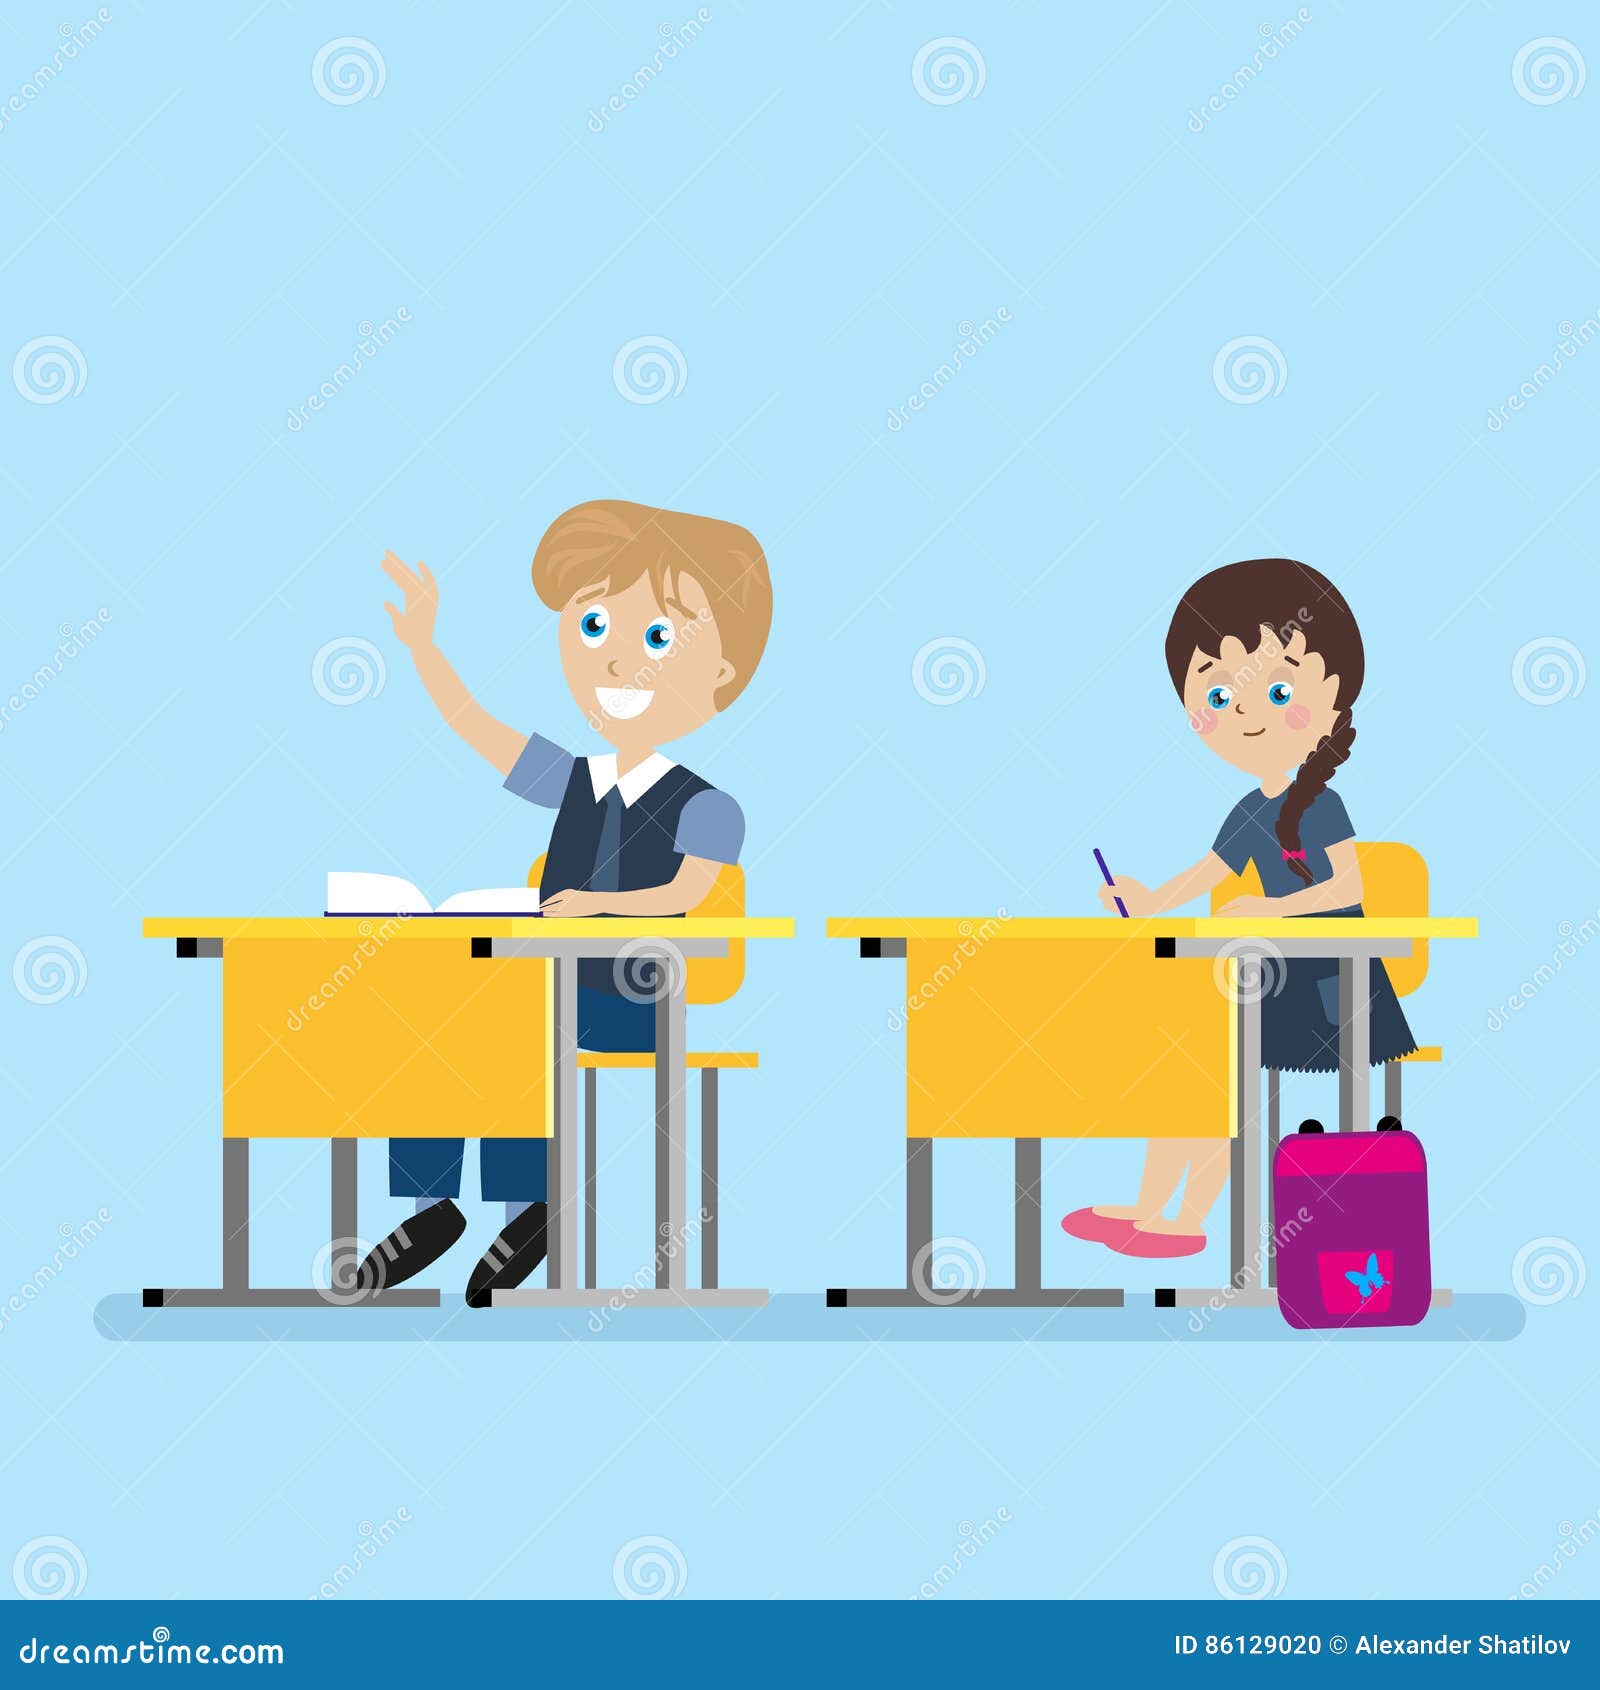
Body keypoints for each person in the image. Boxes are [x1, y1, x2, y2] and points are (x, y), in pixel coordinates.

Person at [357, 499, 773, 1303]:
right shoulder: (574, 782)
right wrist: (424, 650)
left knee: (511, 1023)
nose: (617, 664)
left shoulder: (706, 805)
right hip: (543, 984)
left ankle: (527, 1211)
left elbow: (688, 894)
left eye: (656, 639)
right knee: (438, 1014)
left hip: (642, 991)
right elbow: (479, 728)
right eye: (593, 631)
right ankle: (434, 1205)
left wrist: (593, 907)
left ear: (719, 673)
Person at [1062, 556, 1415, 1259]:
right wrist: (1149, 898)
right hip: (1269, 975)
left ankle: (1186, 1220)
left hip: (1329, 987)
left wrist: (1265, 910)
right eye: (1220, 699)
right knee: (1187, 1076)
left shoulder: (1320, 804)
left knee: (1214, 1088)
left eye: (1278, 689)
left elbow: (1348, 891)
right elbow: (1207, 872)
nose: (1248, 713)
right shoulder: (1251, 809)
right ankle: (1148, 1205)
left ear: (1336, 694)